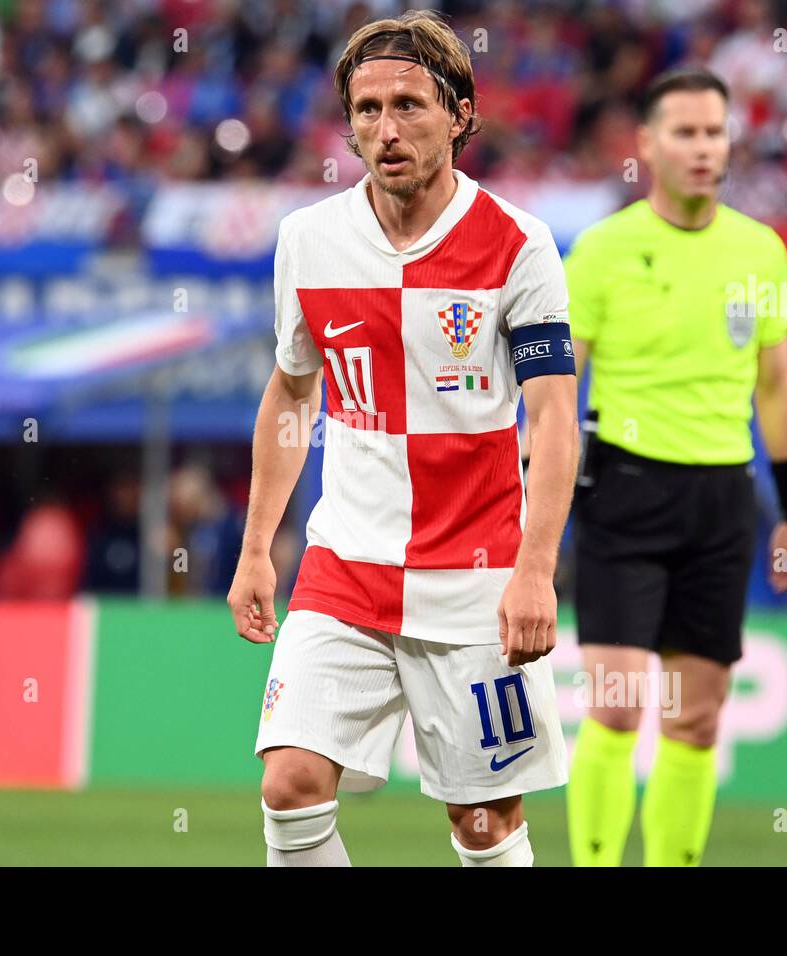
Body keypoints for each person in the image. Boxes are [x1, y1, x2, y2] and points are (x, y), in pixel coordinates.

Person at [226, 10, 578, 867]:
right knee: (289, 785)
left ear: (459, 113)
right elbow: (294, 389)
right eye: (368, 108)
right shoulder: (307, 241)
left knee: (484, 826)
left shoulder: (517, 245)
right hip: (345, 564)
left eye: (410, 105)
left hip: (476, 581)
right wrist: (255, 547)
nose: (387, 130)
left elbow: (556, 419)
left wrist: (535, 569)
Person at [564, 67, 787, 867]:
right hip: (624, 490)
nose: (704, 148)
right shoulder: (603, 250)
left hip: (721, 499)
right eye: (685, 132)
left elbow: (775, 387)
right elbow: (556, 383)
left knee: (697, 720)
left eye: (715, 132)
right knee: (613, 708)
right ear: (647, 145)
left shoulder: (761, 250)